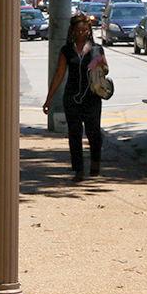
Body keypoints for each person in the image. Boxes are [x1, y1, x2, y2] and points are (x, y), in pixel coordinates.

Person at [42, 13, 107, 181]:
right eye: (78, 30)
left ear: (89, 31)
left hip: (92, 97)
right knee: (74, 134)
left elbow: (105, 68)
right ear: (72, 30)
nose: (81, 33)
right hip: (71, 98)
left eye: (85, 30)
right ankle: (78, 170)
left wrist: (94, 65)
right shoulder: (66, 50)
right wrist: (49, 98)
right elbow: (59, 75)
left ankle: (95, 162)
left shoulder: (96, 49)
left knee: (94, 133)